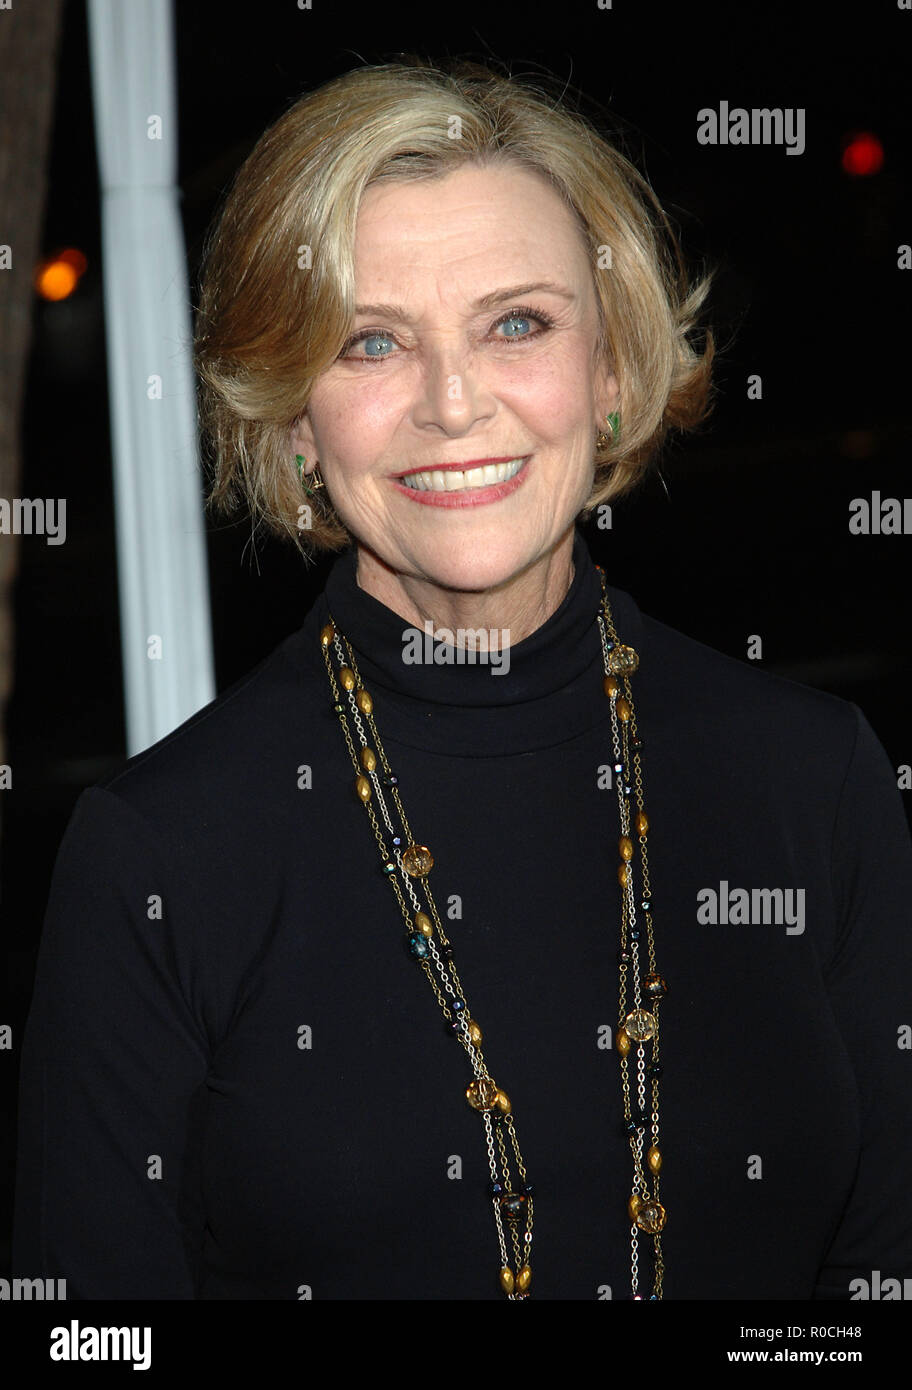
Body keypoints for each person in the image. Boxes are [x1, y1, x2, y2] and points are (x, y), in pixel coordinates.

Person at [12, 57, 912, 1302]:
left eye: (517, 323)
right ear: (291, 418)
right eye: (372, 341)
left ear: (610, 367)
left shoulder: (813, 779)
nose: (452, 402)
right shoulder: (158, 853)